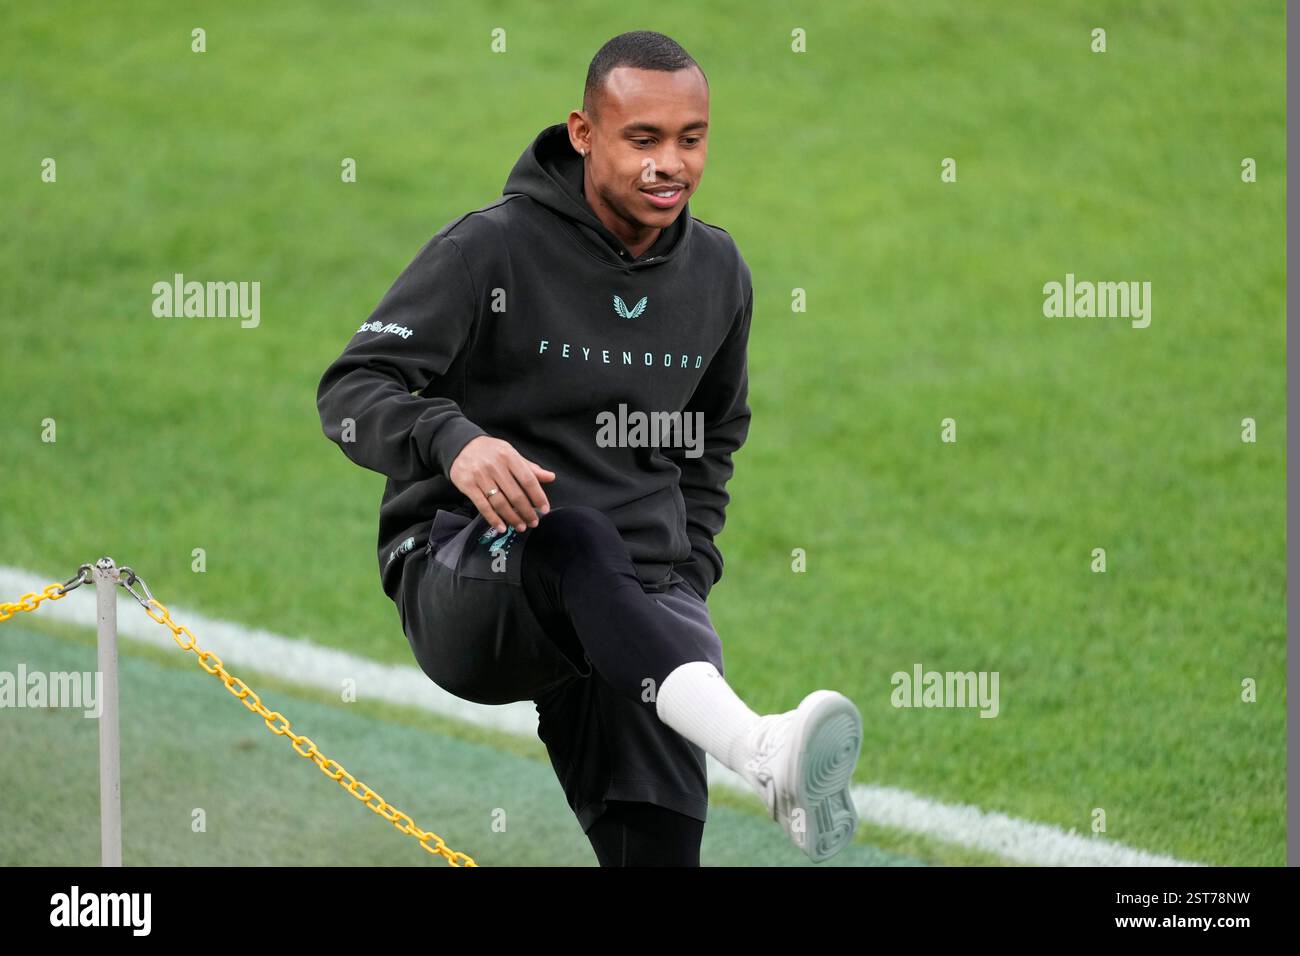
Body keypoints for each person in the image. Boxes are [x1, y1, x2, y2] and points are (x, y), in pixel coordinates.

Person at [316, 30, 862, 866]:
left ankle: (748, 738)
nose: (668, 164)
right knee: (572, 535)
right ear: (583, 133)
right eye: (642, 139)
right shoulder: (487, 249)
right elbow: (350, 392)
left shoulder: (718, 272)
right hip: (470, 577)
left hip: (635, 598)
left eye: (691, 138)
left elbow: (714, 437)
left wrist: (690, 571)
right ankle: (758, 749)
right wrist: (452, 440)